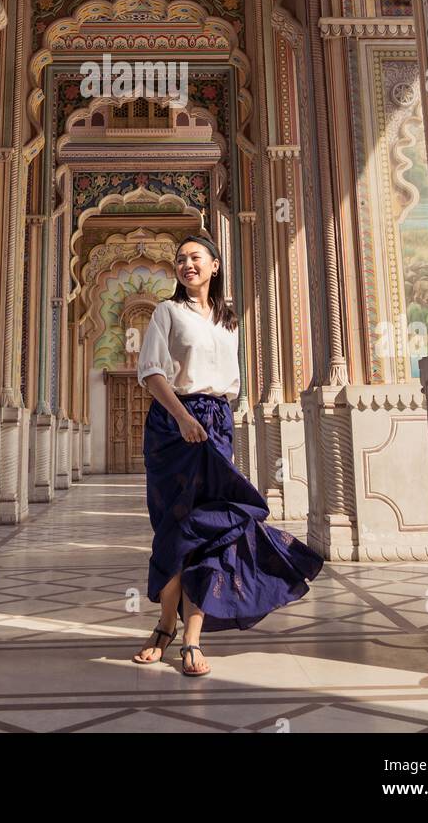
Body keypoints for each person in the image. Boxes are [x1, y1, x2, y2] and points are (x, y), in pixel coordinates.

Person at [132, 234, 324, 676]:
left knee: (215, 529)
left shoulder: (228, 320)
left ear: (215, 265)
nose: (186, 265)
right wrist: (182, 418)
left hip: (217, 421)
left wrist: (218, 418)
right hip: (174, 425)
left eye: (195, 257)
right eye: (180, 259)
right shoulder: (168, 312)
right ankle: (164, 626)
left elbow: (228, 381)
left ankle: (192, 637)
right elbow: (152, 373)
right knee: (174, 528)